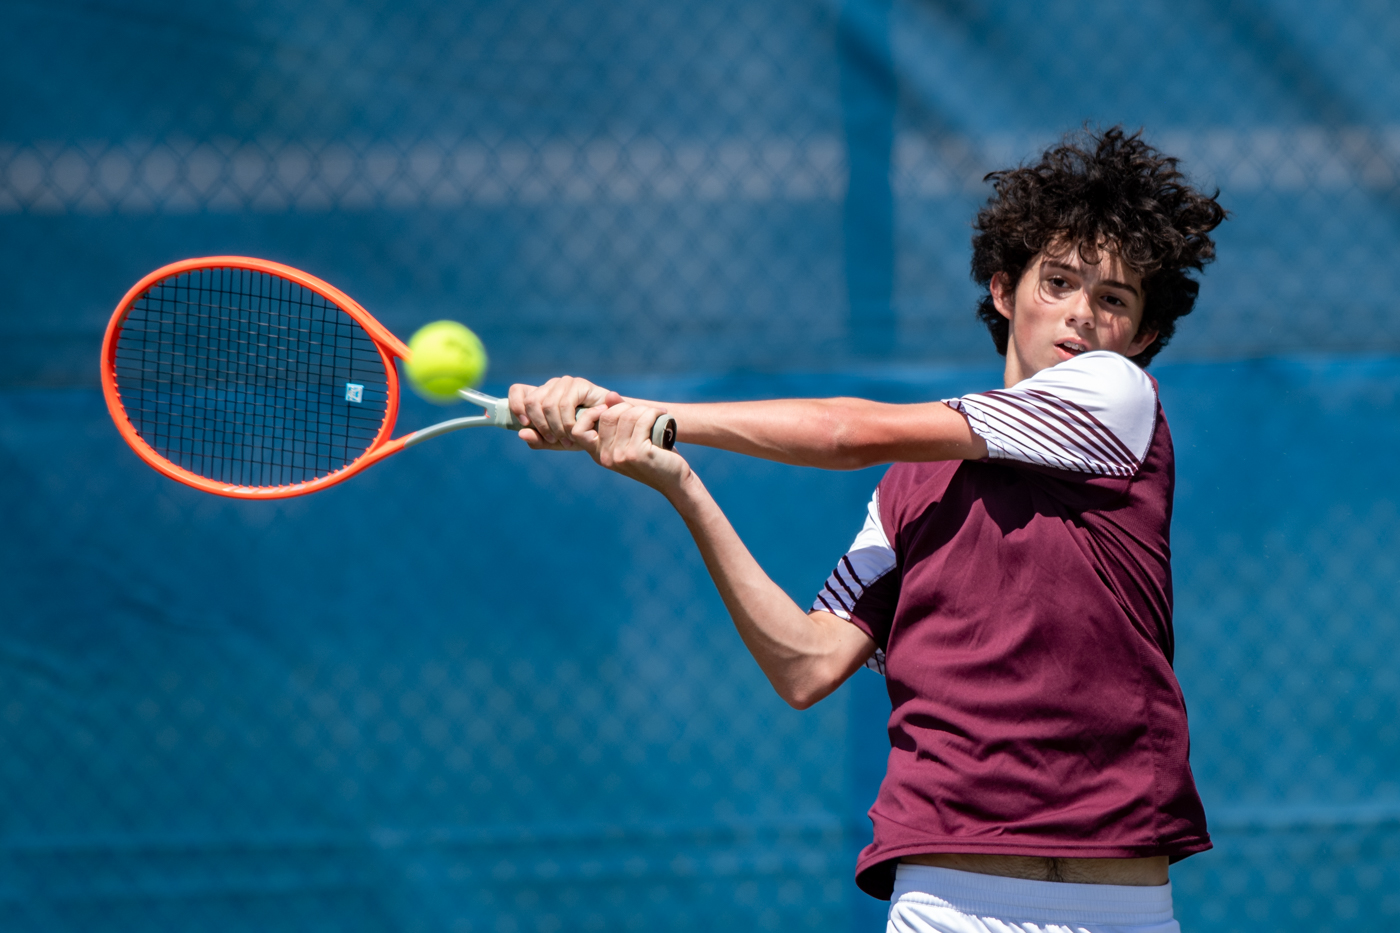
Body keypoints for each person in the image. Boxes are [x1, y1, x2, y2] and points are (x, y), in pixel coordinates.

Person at [508, 127, 1227, 933]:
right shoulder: (911, 489)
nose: (1080, 316)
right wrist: (680, 482)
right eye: (1056, 282)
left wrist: (655, 414)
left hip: (1119, 904)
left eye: (1112, 300)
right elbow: (809, 664)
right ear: (1003, 289)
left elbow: (847, 433)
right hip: (949, 906)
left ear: (1143, 337)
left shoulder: (1117, 398)